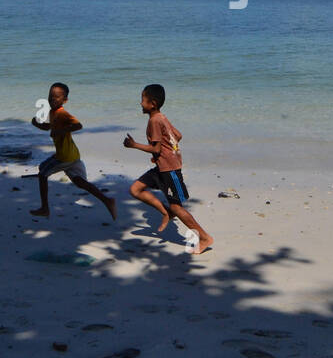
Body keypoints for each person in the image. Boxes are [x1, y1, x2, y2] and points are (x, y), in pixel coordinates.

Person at [123, 83, 213, 254]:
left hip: (170, 170)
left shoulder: (154, 121)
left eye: (143, 99)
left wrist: (134, 145)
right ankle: (166, 212)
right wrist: (164, 153)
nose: (140, 103)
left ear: (153, 104)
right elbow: (177, 136)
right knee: (135, 189)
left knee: (177, 207)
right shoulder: (162, 117)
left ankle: (204, 237)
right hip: (162, 166)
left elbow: (156, 148)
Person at [30, 82, 115, 220]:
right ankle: (107, 200)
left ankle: (45, 208)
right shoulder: (53, 112)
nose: (52, 100)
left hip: (64, 157)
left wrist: (61, 131)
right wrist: (37, 124)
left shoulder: (62, 113)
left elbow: (78, 125)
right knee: (80, 182)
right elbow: (49, 127)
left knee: (42, 174)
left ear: (65, 100)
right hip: (73, 155)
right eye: (50, 97)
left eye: (56, 97)